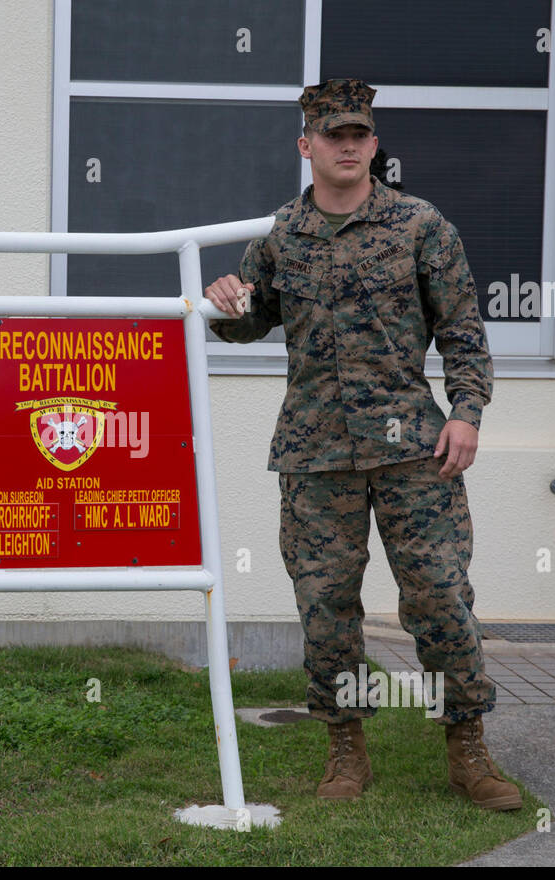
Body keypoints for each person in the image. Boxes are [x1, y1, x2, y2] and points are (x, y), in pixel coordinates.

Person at [204, 79, 520, 811]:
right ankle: (346, 749)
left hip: (414, 450)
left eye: (360, 135)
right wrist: (227, 304)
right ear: (305, 145)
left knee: (440, 598)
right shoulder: (282, 235)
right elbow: (253, 321)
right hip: (316, 455)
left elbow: (464, 331)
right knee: (326, 606)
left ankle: (467, 746)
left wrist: (467, 412)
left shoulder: (419, 225)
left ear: (374, 145)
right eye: (334, 134)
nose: (348, 146)